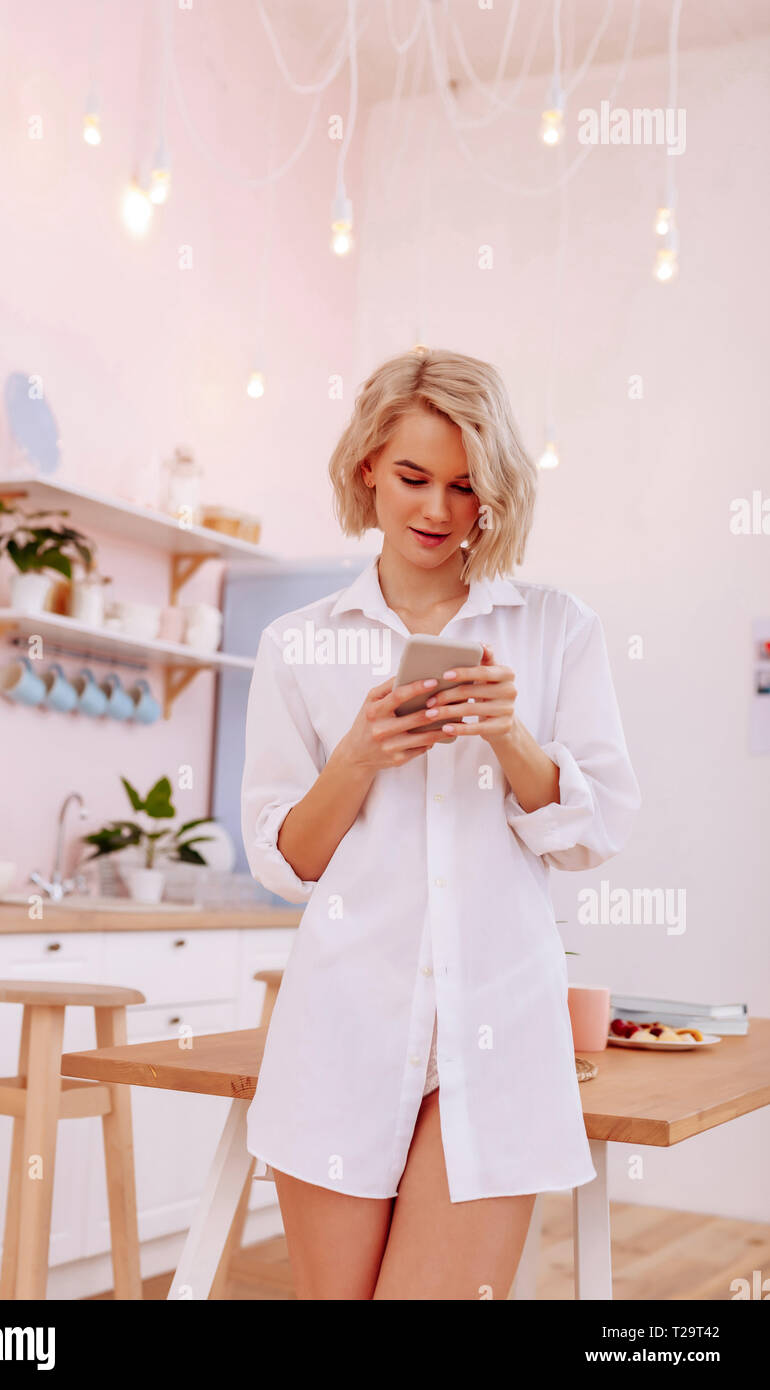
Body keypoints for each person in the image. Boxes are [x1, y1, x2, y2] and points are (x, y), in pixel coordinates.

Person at [240, 346, 641, 1300]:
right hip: (341, 1031)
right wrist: (358, 757)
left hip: (499, 1029)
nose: (436, 511)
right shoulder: (296, 645)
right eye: (414, 477)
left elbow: (596, 831)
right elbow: (286, 862)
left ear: (493, 491)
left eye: (465, 487)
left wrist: (511, 739)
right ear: (367, 466)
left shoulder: (554, 629)